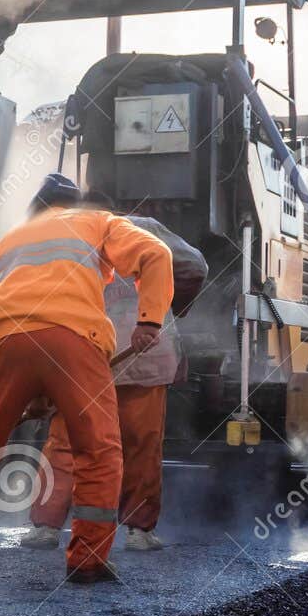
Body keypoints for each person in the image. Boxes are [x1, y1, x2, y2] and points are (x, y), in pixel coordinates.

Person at [0, 172, 173, 584]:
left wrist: (37, 396)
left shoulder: (10, 241)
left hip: (4, 341)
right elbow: (157, 255)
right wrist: (148, 320)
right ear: (73, 205)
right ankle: (87, 559)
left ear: (34, 209)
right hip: (74, 339)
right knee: (98, 449)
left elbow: (22, 313)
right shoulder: (98, 222)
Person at [23, 216, 207, 553]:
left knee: (65, 442)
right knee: (140, 444)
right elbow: (193, 267)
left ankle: (45, 528)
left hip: (85, 353)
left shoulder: (65, 233)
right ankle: (139, 533)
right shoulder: (146, 228)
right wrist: (170, 307)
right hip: (145, 352)